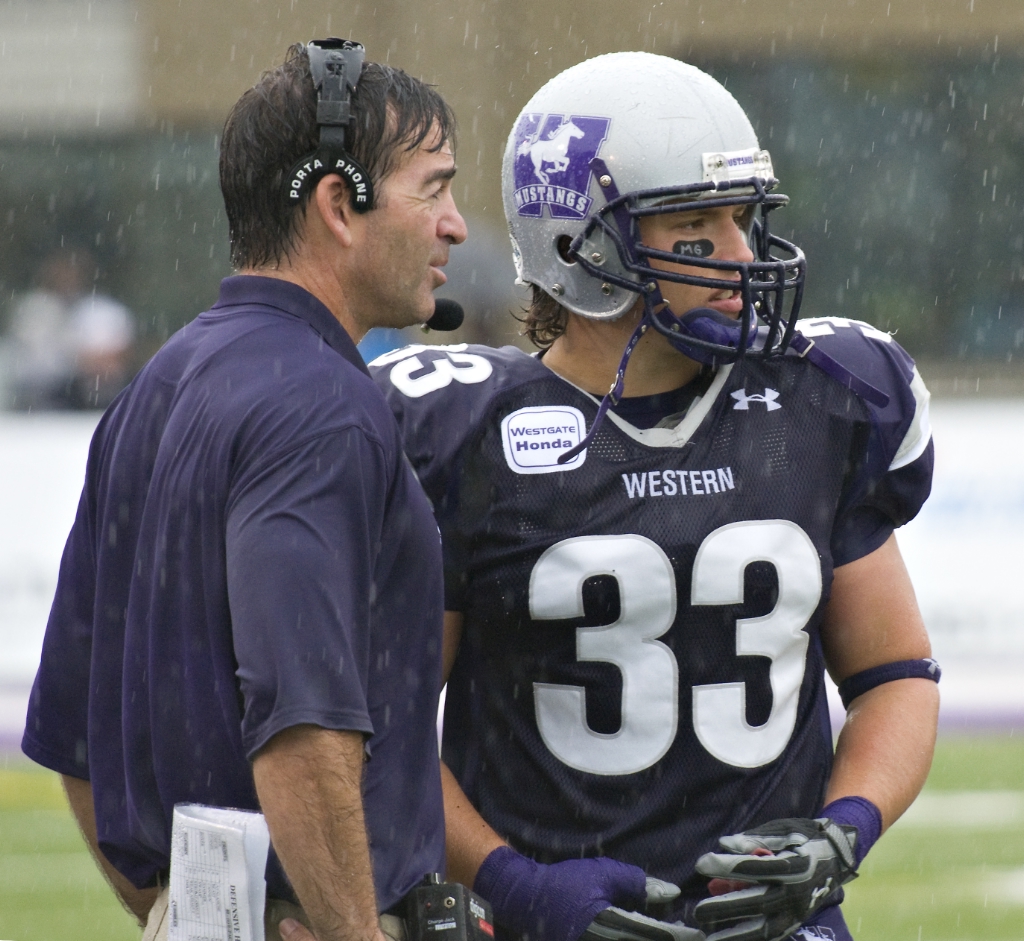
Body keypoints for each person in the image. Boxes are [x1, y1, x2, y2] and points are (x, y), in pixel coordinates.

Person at [371, 52, 939, 941]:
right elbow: (389, 726)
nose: (743, 255)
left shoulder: (821, 400)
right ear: (583, 248)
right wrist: (515, 884)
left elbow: (895, 672)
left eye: (743, 219)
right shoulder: (464, 435)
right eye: (696, 228)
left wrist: (843, 830)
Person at [22, 39, 466, 941]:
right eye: (436, 188)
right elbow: (301, 726)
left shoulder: (159, 382)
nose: (455, 224)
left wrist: (183, 916)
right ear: (339, 205)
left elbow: (73, 739)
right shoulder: (323, 406)